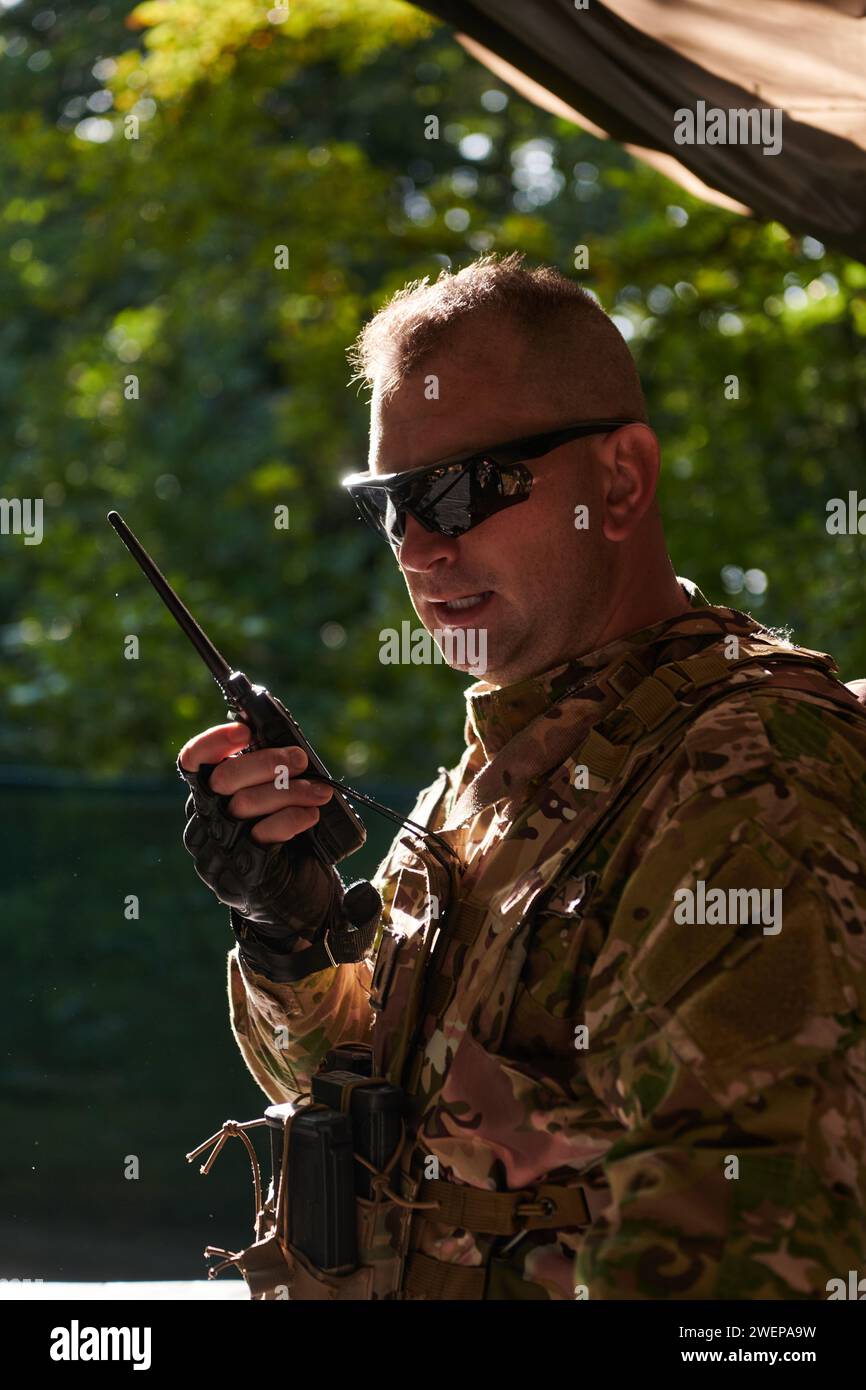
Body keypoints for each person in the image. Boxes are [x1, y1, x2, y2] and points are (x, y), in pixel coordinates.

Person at [178, 252, 866, 1300]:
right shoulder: (496, 775)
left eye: (455, 491)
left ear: (620, 481)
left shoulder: (744, 778)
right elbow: (383, 1103)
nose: (416, 547)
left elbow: (763, 1266)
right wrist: (291, 931)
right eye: (387, 505)